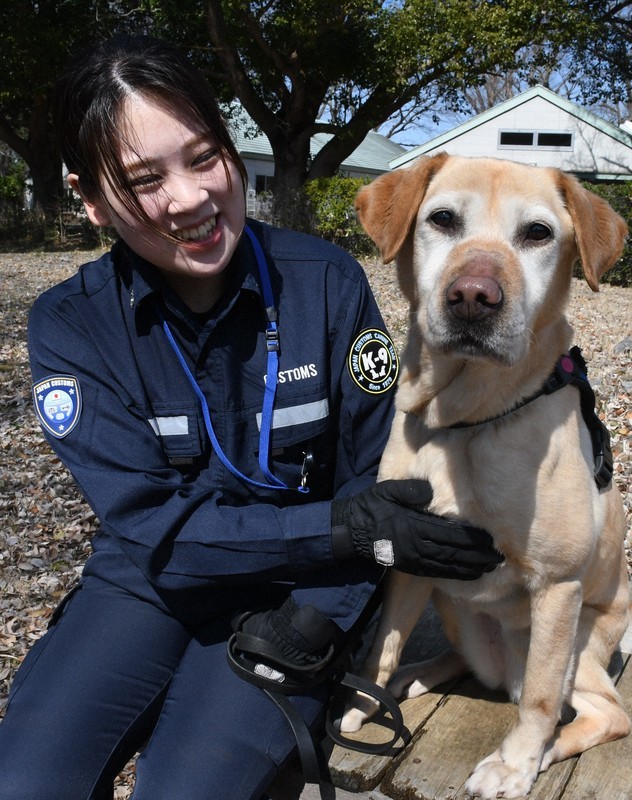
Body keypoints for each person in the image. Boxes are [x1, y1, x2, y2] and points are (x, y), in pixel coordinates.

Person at [0, 34, 502, 800]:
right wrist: (342, 530)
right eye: (145, 179)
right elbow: (156, 529)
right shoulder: (71, 327)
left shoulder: (326, 285)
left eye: (205, 157)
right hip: (152, 583)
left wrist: (327, 608)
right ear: (92, 198)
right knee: (27, 781)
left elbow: (377, 481)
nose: (191, 197)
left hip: (301, 587)